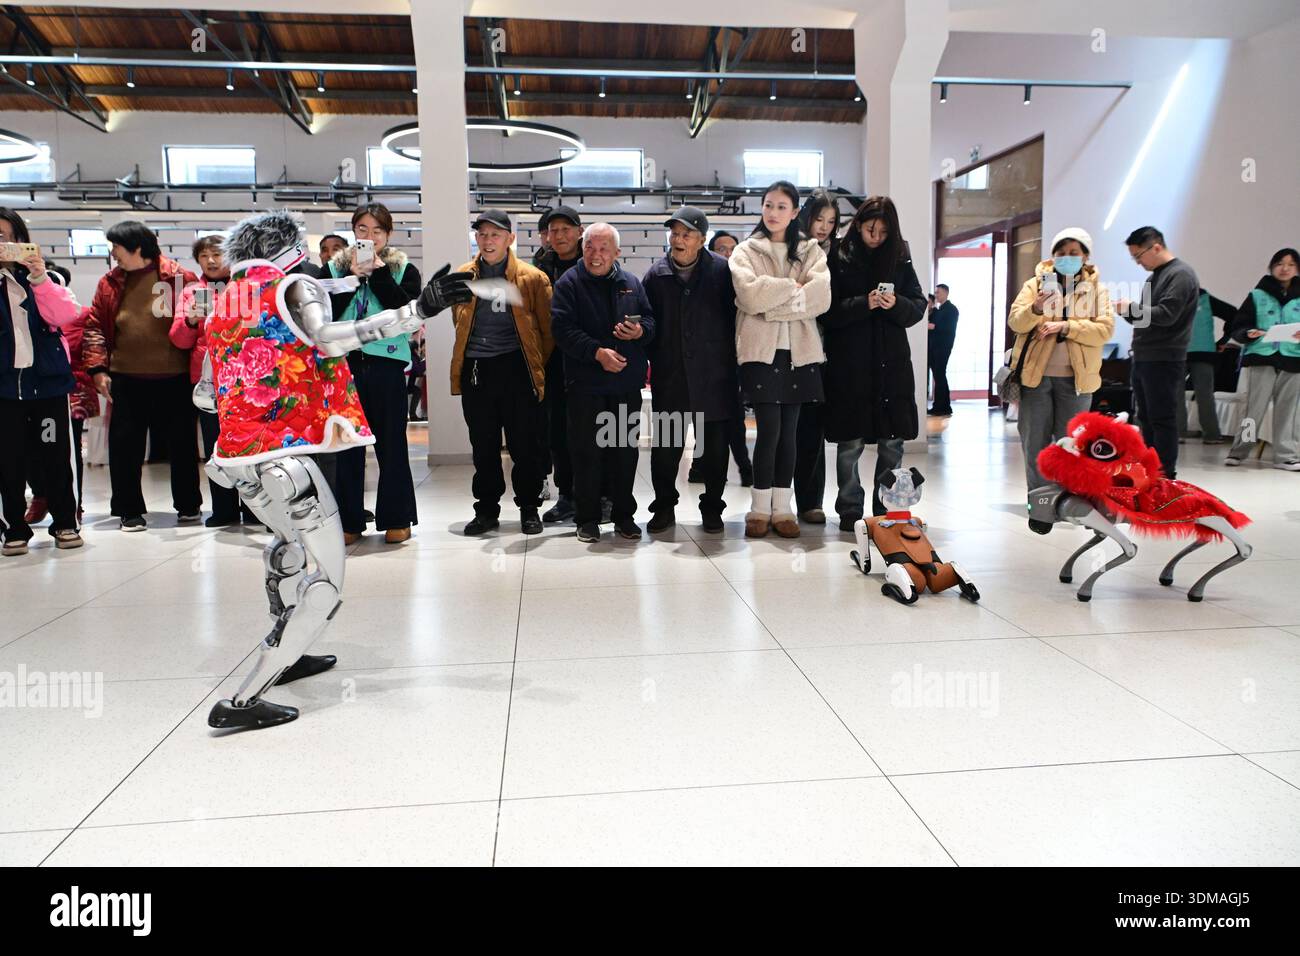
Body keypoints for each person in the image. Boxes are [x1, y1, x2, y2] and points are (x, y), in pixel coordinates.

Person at [195, 208, 469, 730]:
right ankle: (243, 700)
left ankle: (292, 655)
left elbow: (205, 394)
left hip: (238, 460)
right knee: (326, 582)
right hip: (285, 460)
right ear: (288, 249)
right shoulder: (295, 285)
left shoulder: (226, 300)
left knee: (289, 551)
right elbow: (332, 338)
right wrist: (417, 310)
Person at [82, 220, 201, 531]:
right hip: (126, 377)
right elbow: (94, 326)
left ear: (136, 248)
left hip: (175, 378)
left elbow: (198, 324)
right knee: (124, 447)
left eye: (117, 248)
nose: (113, 254)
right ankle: (128, 509)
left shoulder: (179, 278)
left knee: (183, 445)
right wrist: (97, 369)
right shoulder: (110, 282)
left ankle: (189, 505)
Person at [730, 180, 830, 539]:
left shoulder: (810, 250)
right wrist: (791, 289)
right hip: (760, 353)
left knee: (790, 433)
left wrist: (770, 300)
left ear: (794, 212)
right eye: (768, 205)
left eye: (781, 207)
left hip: (800, 354)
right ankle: (759, 509)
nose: (773, 213)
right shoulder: (745, 251)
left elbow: (820, 298)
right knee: (769, 430)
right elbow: (750, 297)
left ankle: (782, 509)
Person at [823, 196, 925, 528]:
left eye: (883, 231)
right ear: (859, 224)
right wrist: (862, 304)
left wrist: (895, 304)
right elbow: (827, 310)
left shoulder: (900, 256)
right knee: (849, 441)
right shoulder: (839, 255)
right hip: (849, 364)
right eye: (870, 229)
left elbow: (917, 306)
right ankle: (849, 509)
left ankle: (886, 508)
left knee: (892, 441)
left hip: (890, 363)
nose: (875, 236)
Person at [450, 209, 553, 535]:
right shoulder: (464, 275)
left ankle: (529, 507)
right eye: (482, 234)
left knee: (525, 444)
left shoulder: (532, 278)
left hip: (517, 367)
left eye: (495, 234)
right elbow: (459, 321)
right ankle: (486, 510)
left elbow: (547, 332)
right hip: (478, 370)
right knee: (483, 445)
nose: (488, 240)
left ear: (510, 239)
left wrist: (533, 364)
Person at [550, 223, 655, 543]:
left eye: (603, 249)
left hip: (625, 386)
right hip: (585, 386)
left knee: (624, 453)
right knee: (586, 454)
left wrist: (640, 332)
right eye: (590, 248)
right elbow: (562, 329)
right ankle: (587, 518)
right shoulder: (569, 284)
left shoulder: (632, 284)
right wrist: (597, 353)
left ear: (617, 253)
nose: (596, 255)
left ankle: (624, 516)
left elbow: (650, 320)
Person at [326, 203, 421, 544]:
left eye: (377, 231)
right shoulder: (334, 269)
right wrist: (352, 279)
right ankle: (349, 521)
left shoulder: (403, 268)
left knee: (391, 443)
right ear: (354, 233)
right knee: (347, 444)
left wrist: (378, 273)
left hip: (387, 363)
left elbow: (406, 312)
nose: (370, 237)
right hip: (345, 364)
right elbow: (325, 314)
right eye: (363, 230)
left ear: (388, 235)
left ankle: (397, 517)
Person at [642, 206, 738, 533]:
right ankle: (664, 508)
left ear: (701, 239)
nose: (678, 240)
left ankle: (712, 508)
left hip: (715, 378)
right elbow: (648, 322)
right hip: (672, 378)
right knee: (666, 451)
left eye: (686, 234)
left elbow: (736, 321)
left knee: (713, 452)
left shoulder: (722, 272)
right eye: (674, 233)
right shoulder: (656, 276)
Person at [1006, 227, 1115, 501]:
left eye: (1073, 253)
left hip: (1078, 381)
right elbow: (1015, 322)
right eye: (1061, 253)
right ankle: (1040, 499)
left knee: (1073, 445)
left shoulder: (1097, 290)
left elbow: (1104, 329)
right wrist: (1036, 309)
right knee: (1035, 444)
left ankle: (1070, 501)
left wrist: (1066, 327)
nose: (1067, 258)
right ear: (1052, 257)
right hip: (1036, 378)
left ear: (1085, 257)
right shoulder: (1034, 285)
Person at [0, 210, 85, 555]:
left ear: (21, 240)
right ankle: (13, 528)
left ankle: (65, 522)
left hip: (47, 386)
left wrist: (38, 278)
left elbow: (66, 315)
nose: (2, 244)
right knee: (8, 461)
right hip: (4, 389)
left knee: (55, 456)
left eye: (6, 236)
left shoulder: (47, 279)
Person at [168, 234, 245, 527]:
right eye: (204, 256)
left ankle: (254, 509)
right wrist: (189, 321)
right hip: (208, 383)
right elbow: (178, 340)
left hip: (245, 379)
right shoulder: (190, 292)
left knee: (250, 444)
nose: (211, 261)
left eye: (217, 254)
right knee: (216, 446)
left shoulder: (245, 287)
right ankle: (224, 509)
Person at [1116, 226, 1199, 479]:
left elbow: (1166, 316)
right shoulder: (1155, 277)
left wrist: (1131, 308)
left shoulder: (1181, 275)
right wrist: (1127, 312)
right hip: (1144, 356)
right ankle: (1150, 470)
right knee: (1146, 418)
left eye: (1139, 256)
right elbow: (1146, 321)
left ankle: (1164, 473)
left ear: (1156, 247)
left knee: (1162, 418)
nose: (1138, 262)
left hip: (1164, 358)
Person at [791, 189, 841, 524]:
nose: (823, 227)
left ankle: (811, 501)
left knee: (812, 429)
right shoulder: (787, 249)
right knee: (782, 432)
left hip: (824, 354)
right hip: (787, 347)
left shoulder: (838, 255)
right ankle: (777, 502)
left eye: (831, 222)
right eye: (819, 219)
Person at [1226, 247, 1300, 470]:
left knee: (1289, 411)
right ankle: (1239, 451)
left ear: (1297, 268)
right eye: (1279, 263)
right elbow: (1238, 325)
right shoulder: (1257, 295)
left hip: (1293, 359)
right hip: (1262, 357)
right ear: (1272, 267)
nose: (1284, 268)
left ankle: (1286, 456)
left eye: (1290, 264)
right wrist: (1248, 333)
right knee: (1253, 410)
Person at [690, 230, 752, 487]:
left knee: (734, 418)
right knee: (703, 419)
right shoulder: (704, 278)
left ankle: (745, 468)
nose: (727, 254)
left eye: (731, 249)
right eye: (721, 248)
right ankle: (700, 465)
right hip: (703, 362)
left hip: (735, 360)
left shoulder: (743, 282)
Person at [534, 205, 584, 523]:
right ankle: (567, 496)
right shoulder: (539, 270)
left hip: (588, 360)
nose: (560, 235)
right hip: (552, 362)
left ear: (580, 231)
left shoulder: (594, 262)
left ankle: (600, 494)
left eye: (567, 228)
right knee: (558, 433)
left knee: (593, 431)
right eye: (554, 230)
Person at [1178, 288, 1238, 444]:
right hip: (1177, 352)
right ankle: (1181, 433)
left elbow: (1233, 314)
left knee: (1203, 395)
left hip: (1201, 352)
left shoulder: (1205, 298)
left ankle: (1210, 434)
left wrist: (1224, 340)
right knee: (1179, 395)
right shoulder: (1170, 297)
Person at [927, 283, 959, 416]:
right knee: (938, 376)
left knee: (940, 376)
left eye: (938, 292)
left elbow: (947, 328)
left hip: (943, 347)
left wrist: (932, 326)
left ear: (946, 293)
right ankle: (940, 406)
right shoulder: (940, 309)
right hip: (936, 347)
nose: (936, 295)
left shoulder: (951, 309)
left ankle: (942, 407)